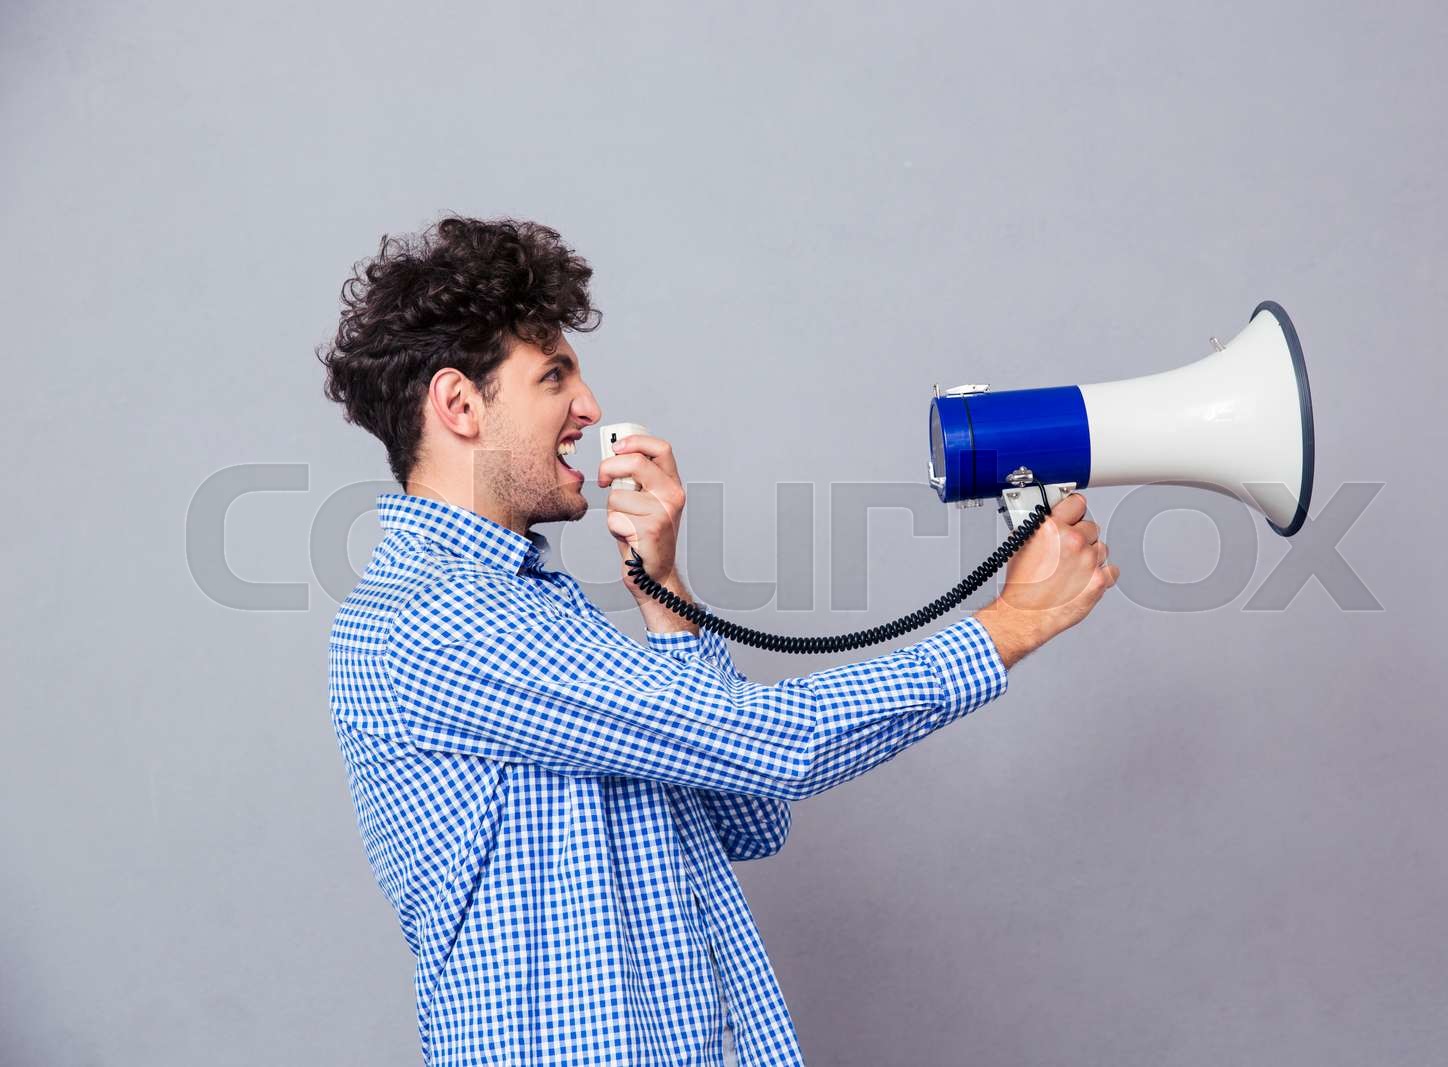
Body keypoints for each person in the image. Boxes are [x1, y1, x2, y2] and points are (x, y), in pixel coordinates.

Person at [318, 215, 1118, 1067]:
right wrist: (1014, 622)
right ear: (459, 404)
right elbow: (777, 747)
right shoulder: (434, 618)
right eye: (555, 376)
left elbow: (747, 815)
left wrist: (667, 595)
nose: (589, 407)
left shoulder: (531, 606)